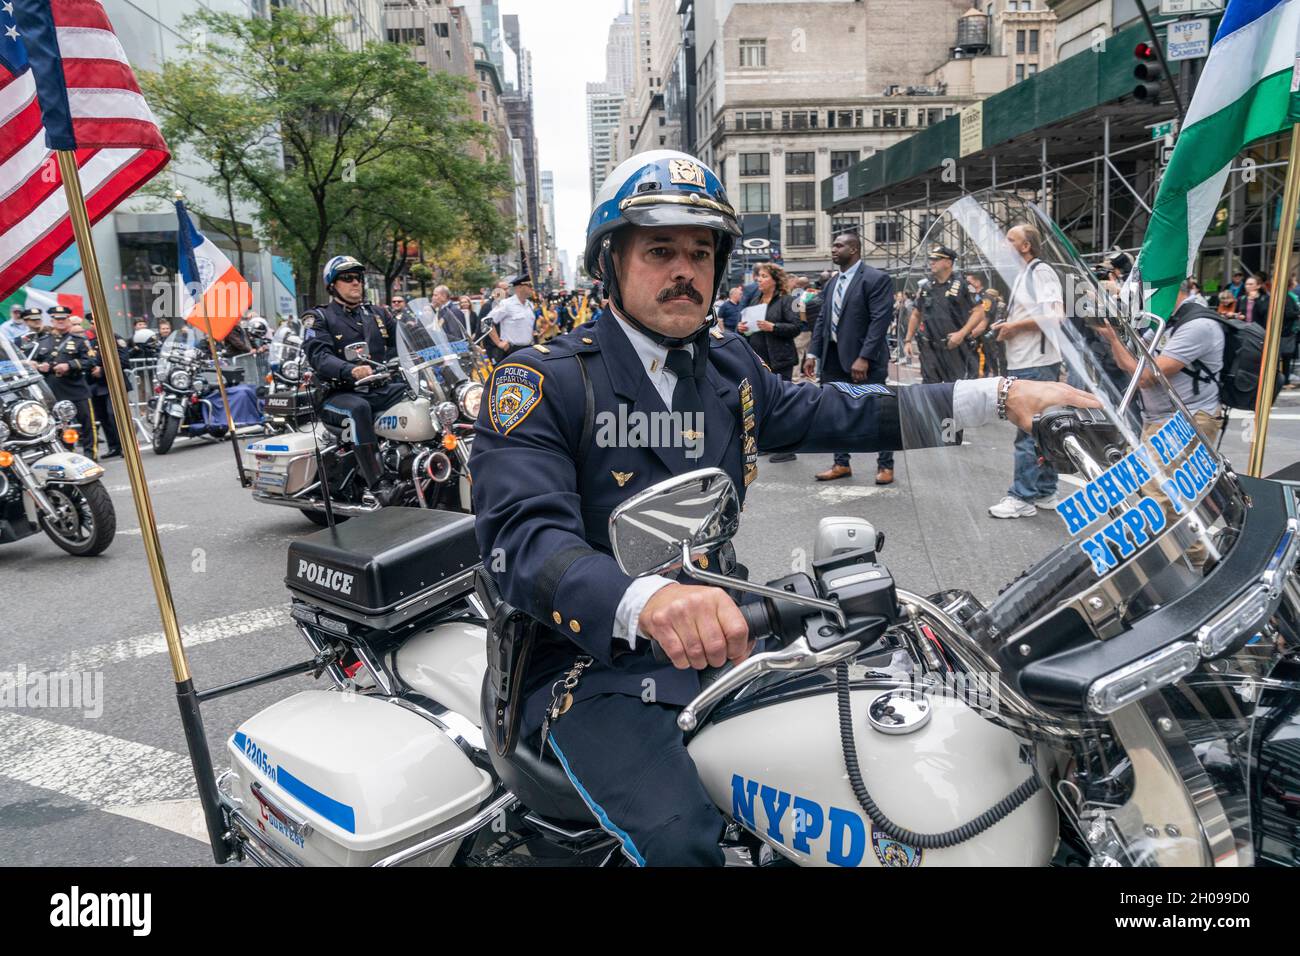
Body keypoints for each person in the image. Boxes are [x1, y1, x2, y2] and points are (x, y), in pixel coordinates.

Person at [469, 149, 1095, 867]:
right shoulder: (543, 381)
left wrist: (1002, 398)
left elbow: (846, 410)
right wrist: (644, 602)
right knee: (680, 841)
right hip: (589, 665)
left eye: (701, 253)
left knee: (877, 749)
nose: (684, 271)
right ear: (610, 261)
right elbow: (523, 542)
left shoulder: (727, 366)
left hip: (733, 631)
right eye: (660, 250)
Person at [1097, 279, 1223, 562]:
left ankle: (1160, 562)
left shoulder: (1196, 325)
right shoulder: (1162, 322)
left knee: (1156, 491)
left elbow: (1144, 376)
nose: (1139, 298)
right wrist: (1114, 330)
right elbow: (1131, 362)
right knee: (1170, 496)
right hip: (1157, 418)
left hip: (1186, 418)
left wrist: (1114, 339)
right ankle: (1196, 560)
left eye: (1144, 292)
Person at [302, 254, 404, 505]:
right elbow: (319, 357)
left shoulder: (379, 314)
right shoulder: (319, 318)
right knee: (359, 409)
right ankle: (379, 485)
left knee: (419, 397)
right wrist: (350, 370)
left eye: (358, 277)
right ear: (332, 285)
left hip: (379, 388)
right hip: (338, 395)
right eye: (347, 278)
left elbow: (402, 343)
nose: (355, 282)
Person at [804, 231, 897, 484]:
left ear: (854, 249)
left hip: (866, 361)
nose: (833, 249)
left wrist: (864, 357)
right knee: (835, 410)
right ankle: (841, 463)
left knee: (878, 411)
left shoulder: (876, 279)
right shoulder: (833, 282)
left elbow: (880, 320)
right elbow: (823, 319)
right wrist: (812, 352)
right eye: (833, 245)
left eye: (838, 245)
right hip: (833, 358)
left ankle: (886, 465)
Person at [988, 223, 1067, 519]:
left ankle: (1022, 497)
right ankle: (1046, 490)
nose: (1004, 243)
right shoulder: (1024, 274)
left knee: (1027, 431)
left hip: (1036, 363)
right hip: (1027, 361)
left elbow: (1055, 315)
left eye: (1010, 239)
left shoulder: (1040, 271)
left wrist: (1014, 327)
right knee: (1042, 430)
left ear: (1026, 246)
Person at [745, 262, 801, 463]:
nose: (759, 279)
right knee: (764, 402)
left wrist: (773, 327)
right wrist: (743, 328)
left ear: (775, 280)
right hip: (759, 358)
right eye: (758, 276)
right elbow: (748, 327)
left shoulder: (788, 300)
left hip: (781, 358)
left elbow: (796, 327)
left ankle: (788, 447)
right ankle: (770, 443)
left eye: (763, 276)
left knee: (783, 402)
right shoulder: (755, 299)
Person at [904, 245, 982, 384]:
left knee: (954, 391)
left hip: (954, 348)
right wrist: (908, 340)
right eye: (931, 259)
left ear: (948, 262)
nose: (932, 262)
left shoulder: (963, 284)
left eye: (937, 259)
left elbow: (979, 311)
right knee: (929, 391)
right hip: (929, 349)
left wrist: (961, 334)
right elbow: (916, 314)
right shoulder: (927, 286)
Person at [31, 306, 96, 459]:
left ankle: (90, 455)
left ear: (68, 320)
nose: (60, 321)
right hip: (53, 390)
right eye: (57, 319)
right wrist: (38, 366)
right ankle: (67, 454)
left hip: (76, 387)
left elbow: (91, 360)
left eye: (63, 318)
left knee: (86, 423)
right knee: (59, 426)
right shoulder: (42, 341)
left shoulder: (79, 341)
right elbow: (33, 361)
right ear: (52, 320)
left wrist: (70, 365)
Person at [85, 312, 130, 459]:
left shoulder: (115, 339)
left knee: (115, 415)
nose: (95, 326)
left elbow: (123, 362)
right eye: (92, 323)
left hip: (114, 383)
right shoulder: (90, 342)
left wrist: (102, 370)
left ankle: (126, 445)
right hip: (97, 386)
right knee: (103, 417)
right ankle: (114, 446)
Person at [484, 273, 539, 360]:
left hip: (529, 349)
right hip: (512, 351)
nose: (532, 288)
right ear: (519, 287)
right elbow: (486, 322)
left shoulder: (530, 305)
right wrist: (498, 343)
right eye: (529, 285)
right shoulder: (506, 304)